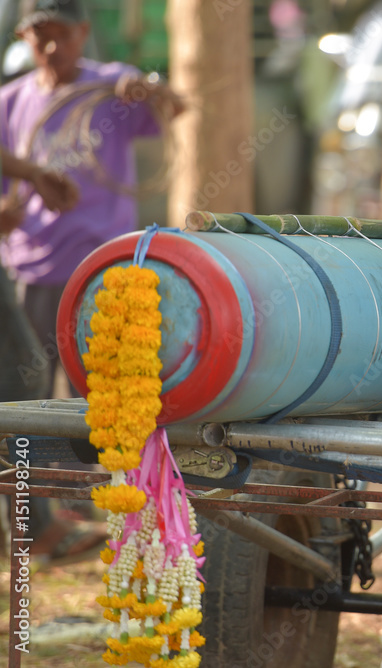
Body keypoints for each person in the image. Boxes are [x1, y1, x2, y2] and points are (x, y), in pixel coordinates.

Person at [0, 0, 183, 566]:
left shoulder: (112, 87)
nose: (51, 48)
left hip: (99, 272)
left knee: (110, 399)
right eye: (40, 37)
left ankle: (126, 513)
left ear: (84, 33)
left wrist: (149, 87)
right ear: (26, 38)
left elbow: (177, 105)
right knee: (26, 401)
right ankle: (44, 519)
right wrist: (21, 194)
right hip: (30, 267)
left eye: (62, 35)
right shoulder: (12, 98)